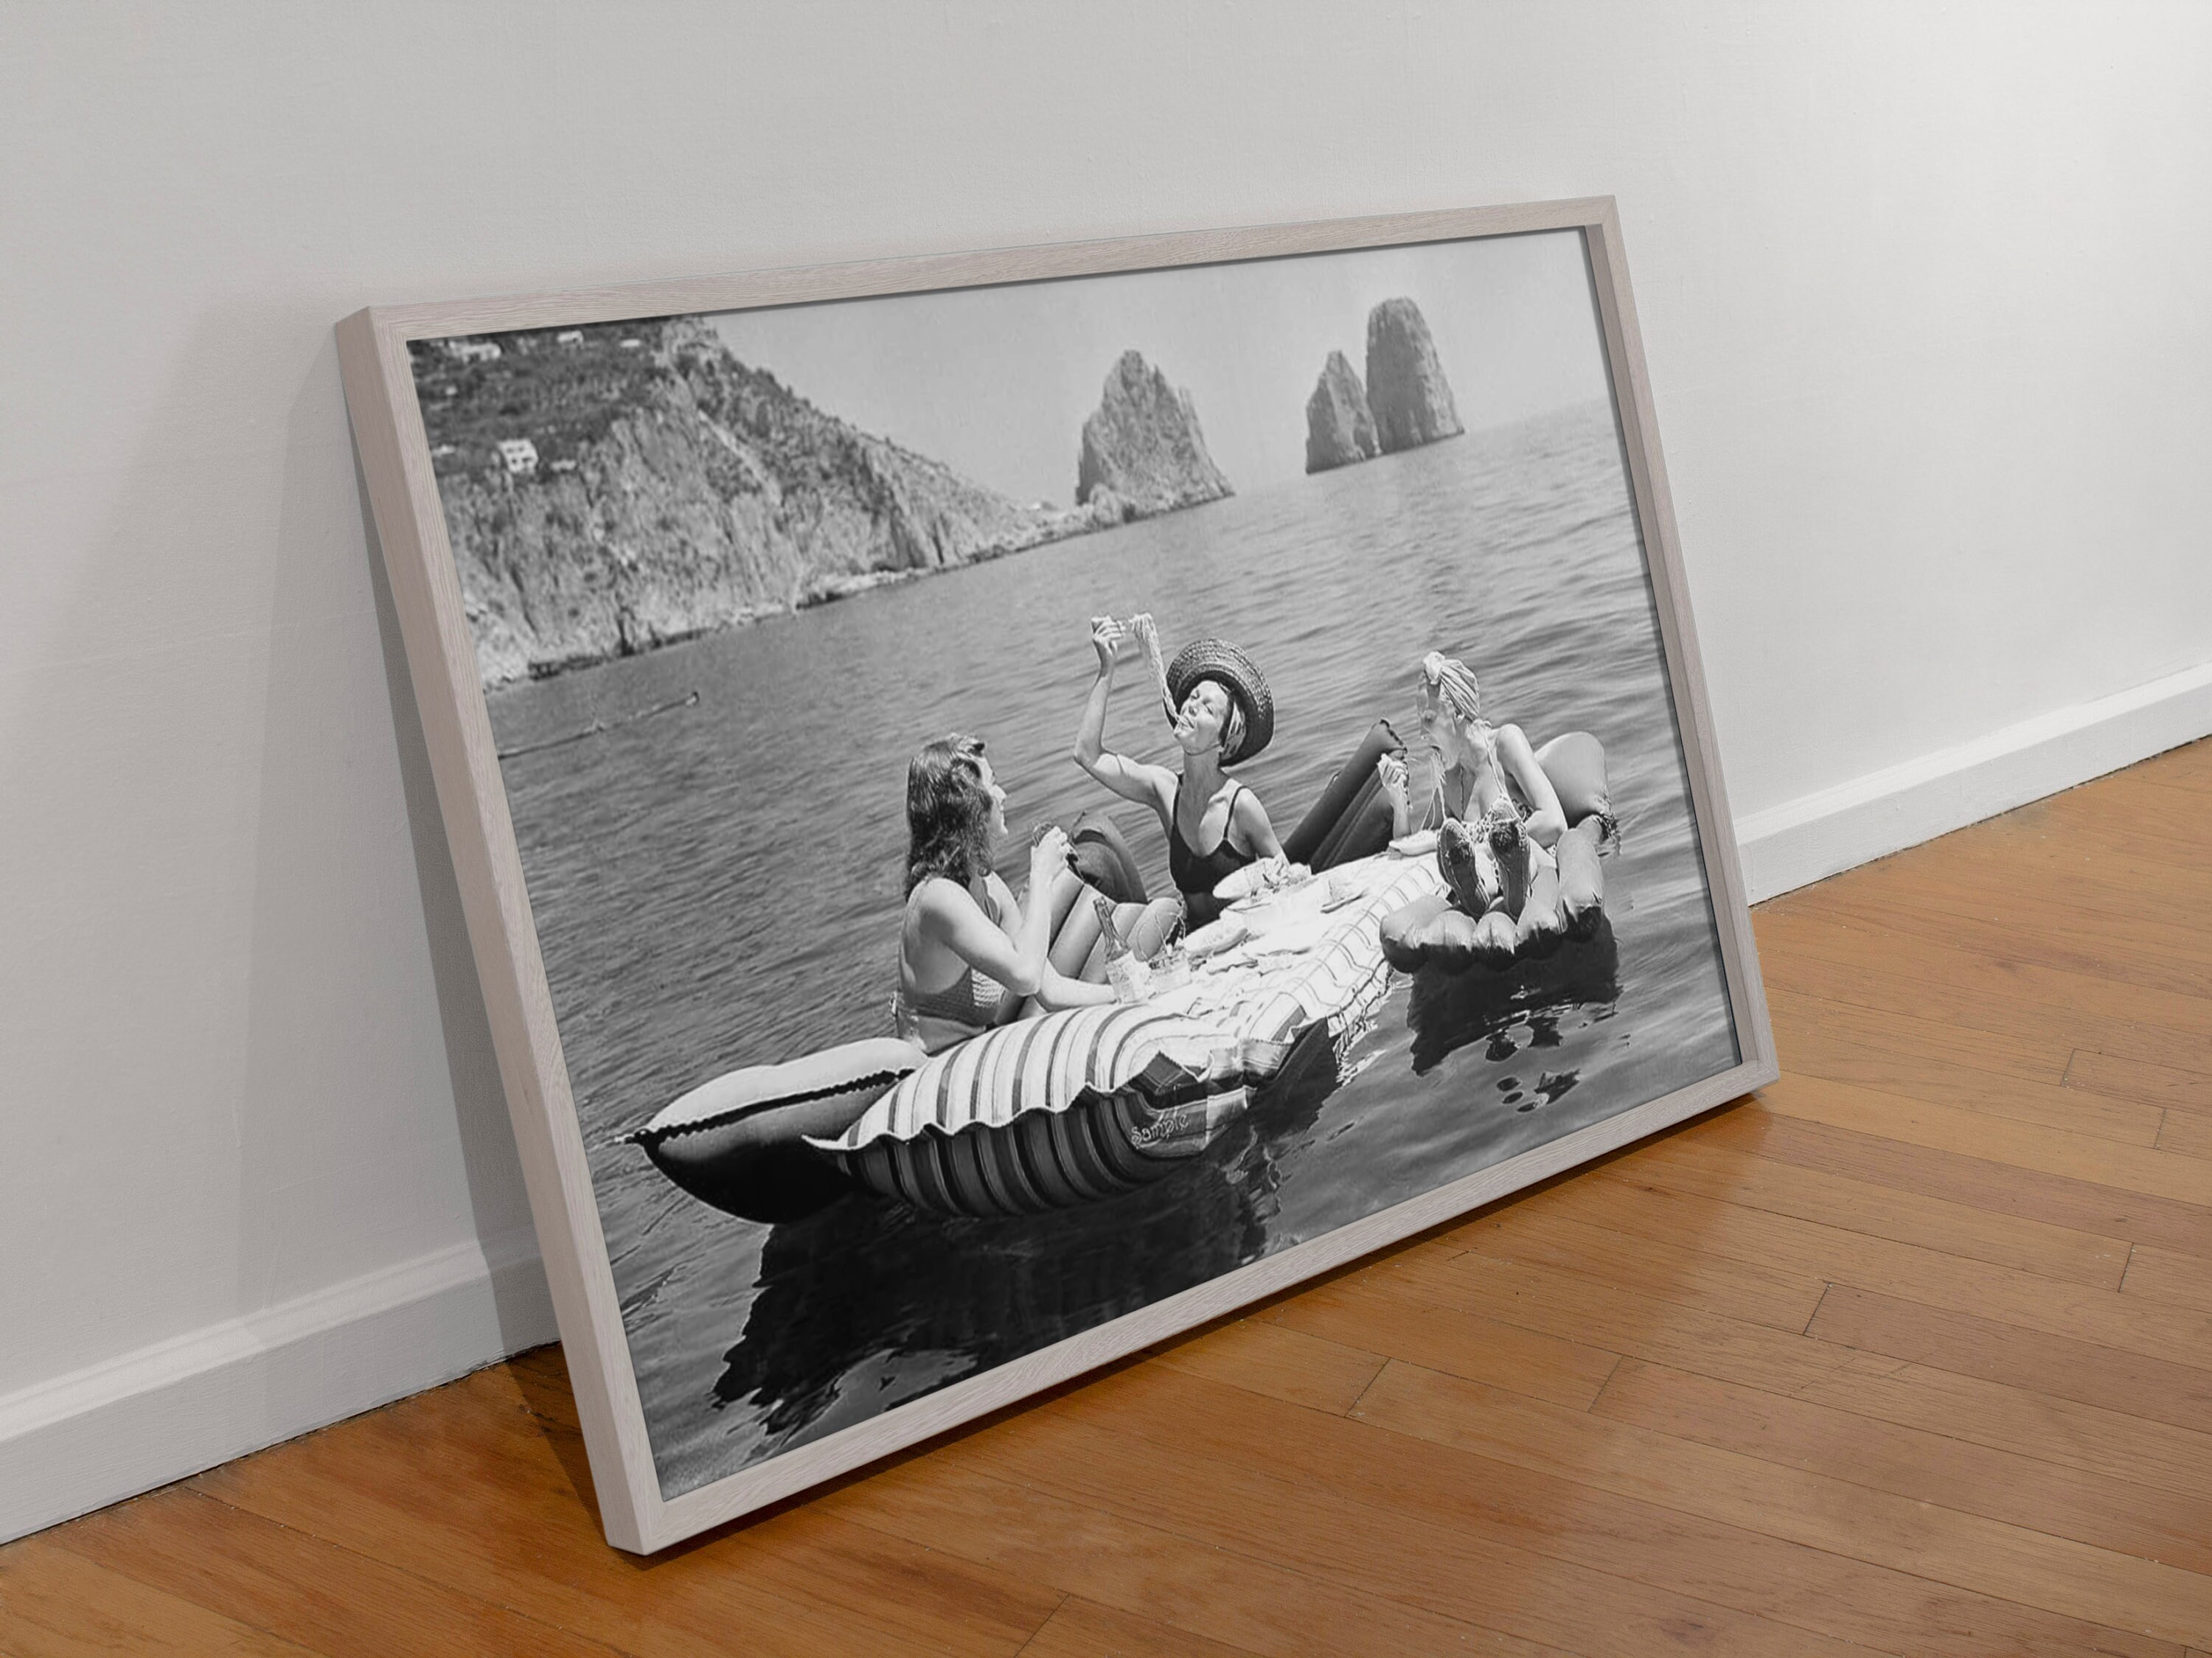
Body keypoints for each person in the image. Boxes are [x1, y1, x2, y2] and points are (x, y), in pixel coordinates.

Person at [894, 735, 1113, 1055]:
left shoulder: (987, 885)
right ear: (967, 805)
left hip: (976, 1051)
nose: (1003, 795)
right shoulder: (938, 896)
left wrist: (1125, 994)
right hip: (934, 1067)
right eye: (993, 784)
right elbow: (1025, 977)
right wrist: (1041, 876)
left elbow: (1049, 989)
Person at [1074, 619, 1284, 928]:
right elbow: (1087, 754)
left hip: (1249, 934)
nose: (1191, 707)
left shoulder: (1241, 805)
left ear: (1224, 741)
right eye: (1193, 697)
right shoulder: (1164, 789)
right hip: (1195, 943)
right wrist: (1107, 668)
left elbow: (1286, 877)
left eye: (1208, 709)